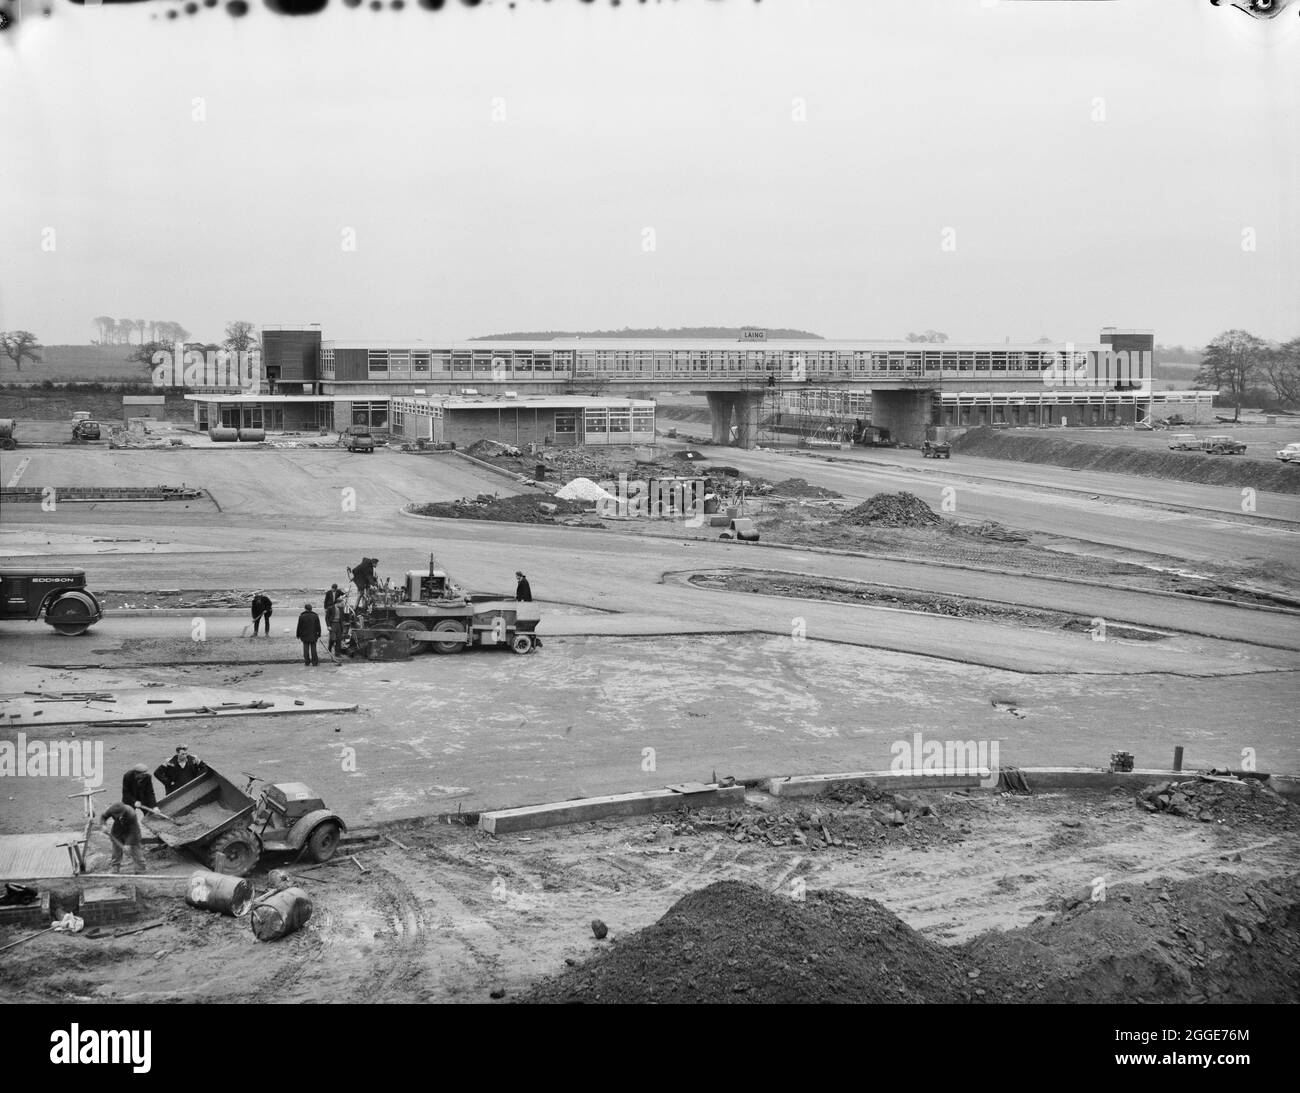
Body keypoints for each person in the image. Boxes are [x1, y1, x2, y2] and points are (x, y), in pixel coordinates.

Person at [98, 803, 147, 874]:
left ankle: (140, 868)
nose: (114, 816)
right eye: (113, 815)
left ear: (122, 813)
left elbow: (133, 831)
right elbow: (103, 817)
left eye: (116, 815)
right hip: (117, 830)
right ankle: (115, 867)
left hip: (132, 831)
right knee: (116, 850)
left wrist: (128, 843)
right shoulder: (112, 810)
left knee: (135, 849)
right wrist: (103, 825)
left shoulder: (131, 814)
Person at [324, 584, 343, 653]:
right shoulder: (330, 608)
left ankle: (337, 653)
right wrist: (328, 625)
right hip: (332, 624)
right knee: (332, 639)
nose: (343, 604)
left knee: (339, 639)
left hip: (338, 625)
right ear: (338, 603)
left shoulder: (341, 609)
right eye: (342, 603)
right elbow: (327, 618)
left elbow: (342, 618)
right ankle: (329, 648)